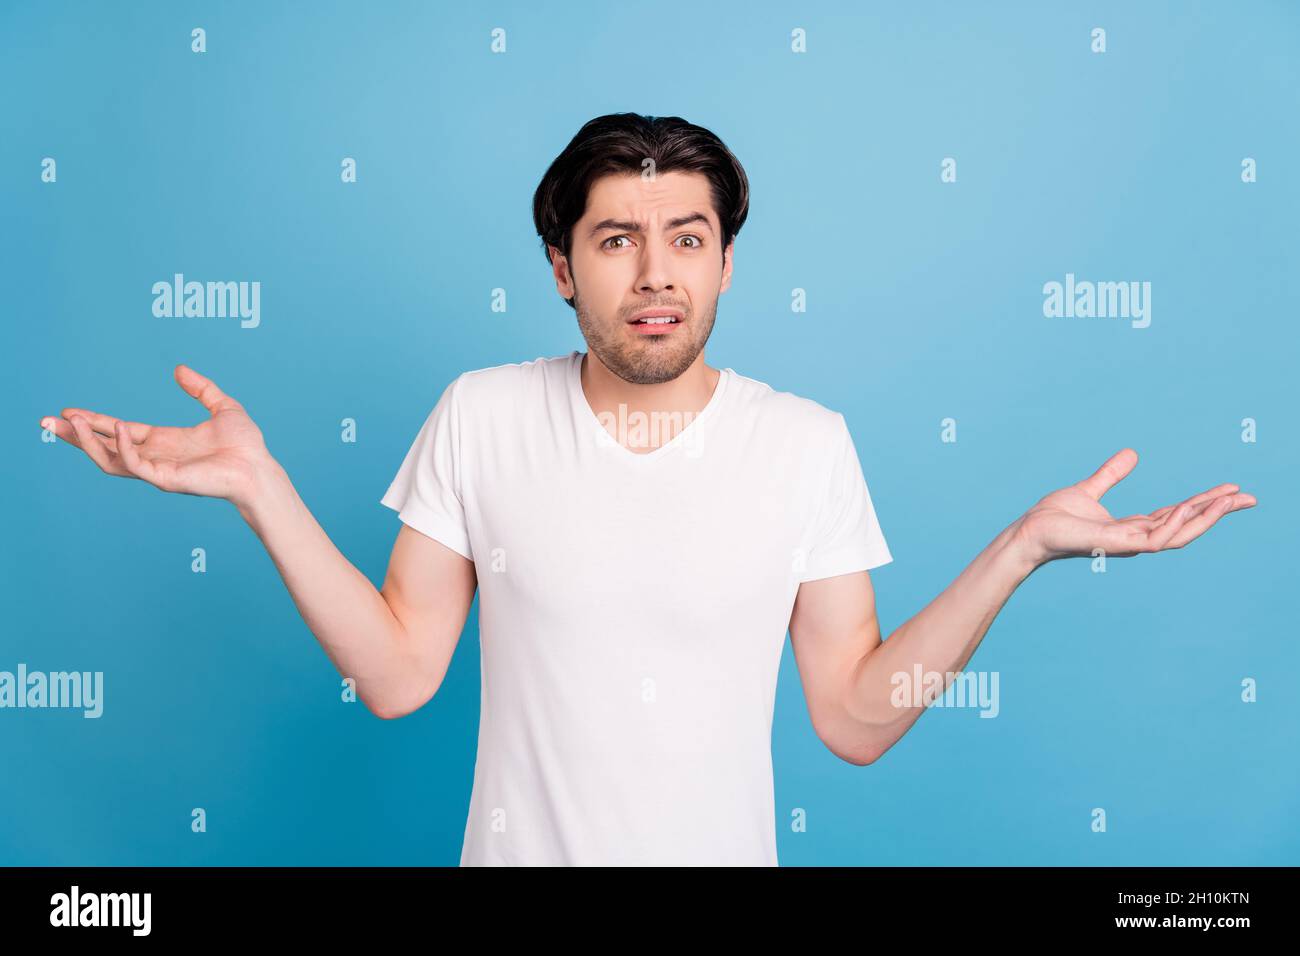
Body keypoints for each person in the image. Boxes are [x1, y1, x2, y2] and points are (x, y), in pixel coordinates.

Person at [39, 113, 1256, 866]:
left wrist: (1019, 550)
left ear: (727, 261)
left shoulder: (804, 442)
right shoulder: (482, 412)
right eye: (616, 237)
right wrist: (261, 486)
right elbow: (401, 673)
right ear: (561, 267)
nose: (655, 270)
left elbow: (852, 715)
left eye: (686, 234)